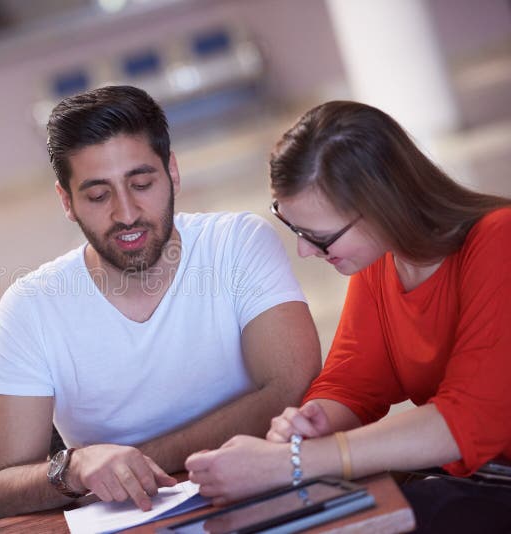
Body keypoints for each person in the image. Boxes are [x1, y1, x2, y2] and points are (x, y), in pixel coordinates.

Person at [0, 85, 321, 518]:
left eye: (142, 183)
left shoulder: (237, 244)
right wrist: (76, 466)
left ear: (173, 173)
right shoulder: (30, 308)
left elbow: (293, 388)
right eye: (99, 195)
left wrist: (137, 460)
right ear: (67, 201)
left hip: (261, 503)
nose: (126, 213)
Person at [185, 101, 511, 532]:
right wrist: (312, 421)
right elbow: (352, 382)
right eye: (295, 230)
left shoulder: (499, 240)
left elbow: (466, 421)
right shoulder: (382, 260)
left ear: (382, 204)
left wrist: (292, 463)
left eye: (319, 237)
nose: (304, 251)